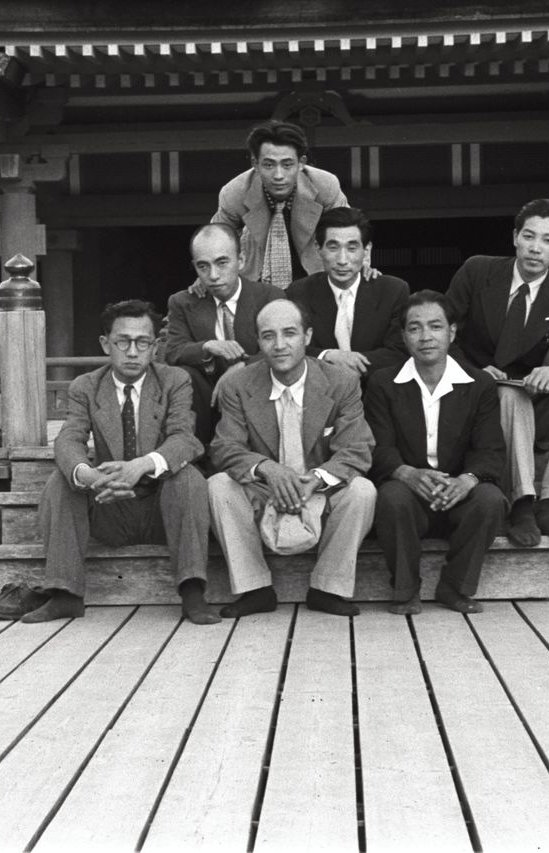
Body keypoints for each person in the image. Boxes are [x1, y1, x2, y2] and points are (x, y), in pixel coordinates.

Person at [29, 300, 221, 625]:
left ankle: (192, 593)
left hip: (162, 507)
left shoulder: (174, 381)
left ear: (155, 346)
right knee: (61, 481)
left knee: (189, 478)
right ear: (106, 344)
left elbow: (184, 439)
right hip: (110, 505)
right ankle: (65, 594)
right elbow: (69, 439)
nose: (132, 352)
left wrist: (139, 466)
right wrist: (89, 476)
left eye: (142, 342)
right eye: (123, 342)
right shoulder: (86, 387)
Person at [445, 198, 549, 551]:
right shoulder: (477, 271)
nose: (535, 248)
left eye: (547, 240)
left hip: (526, 396)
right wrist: (474, 371)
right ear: (515, 237)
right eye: (529, 236)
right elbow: (442, 330)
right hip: (473, 398)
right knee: (508, 394)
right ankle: (521, 504)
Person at [207, 298, 376, 617]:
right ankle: (254, 588)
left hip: (319, 489)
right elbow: (225, 447)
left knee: (363, 491)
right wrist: (268, 469)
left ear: (308, 336)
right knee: (219, 485)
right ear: (258, 341)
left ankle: (328, 588)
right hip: (265, 488)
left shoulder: (341, 382)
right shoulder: (239, 385)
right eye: (268, 336)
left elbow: (357, 448)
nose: (279, 345)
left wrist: (316, 479)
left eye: (290, 333)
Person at [364, 290, 508, 614]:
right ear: (403, 336)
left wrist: (466, 481)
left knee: (490, 500)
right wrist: (407, 474)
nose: (425, 337)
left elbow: (490, 450)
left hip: (458, 495)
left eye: (436, 326)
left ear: (452, 332)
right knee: (390, 497)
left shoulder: (479, 383)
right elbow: (378, 448)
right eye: (414, 328)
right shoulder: (383, 383)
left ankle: (454, 587)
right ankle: (405, 590)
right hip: (409, 494)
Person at [164, 223, 282, 444]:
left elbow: (283, 350)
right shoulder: (184, 302)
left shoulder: (269, 296)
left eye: (222, 263)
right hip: (207, 398)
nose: (213, 275)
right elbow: (172, 351)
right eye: (203, 267)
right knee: (183, 374)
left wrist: (241, 369)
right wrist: (208, 346)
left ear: (242, 260)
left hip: (259, 391)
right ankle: (195, 454)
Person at [212, 120, 348, 289]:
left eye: (287, 165)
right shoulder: (234, 193)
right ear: (255, 163)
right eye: (269, 165)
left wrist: (363, 266)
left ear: (301, 163)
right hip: (256, 280)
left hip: (316, 276)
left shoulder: (325, 185)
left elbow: (350, 233)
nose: (278, 175)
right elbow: (215, 243)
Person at [287, 206, 408, 379]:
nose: (342, 260)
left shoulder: (393, 290)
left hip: (375, 392)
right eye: (333, 248)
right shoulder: (300, 292)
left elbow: (399, 351)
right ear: (318, 248)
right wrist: (328, 356)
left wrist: (352, 363)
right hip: (320, 391)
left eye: (352, 248)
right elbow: (292, 346)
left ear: (366, 250)